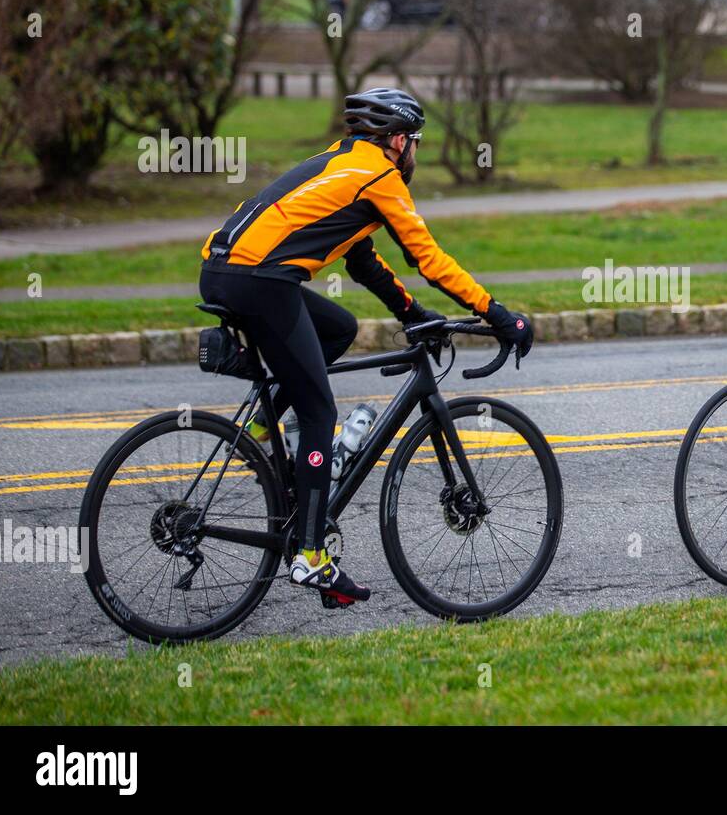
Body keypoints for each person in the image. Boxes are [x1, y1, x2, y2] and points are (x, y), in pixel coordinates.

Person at [199, 88, 533, 605]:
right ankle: (311, 559)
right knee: (319, 410)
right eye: (416, 142)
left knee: (338, 329)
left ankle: (262, 428)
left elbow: (362, 262)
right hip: (261, 282)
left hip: (224, 271)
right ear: (398, 140)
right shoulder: (380, 175)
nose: (415, 153)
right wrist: (496, 313)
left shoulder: (339, 162)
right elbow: (429, 258)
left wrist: (411, 314)